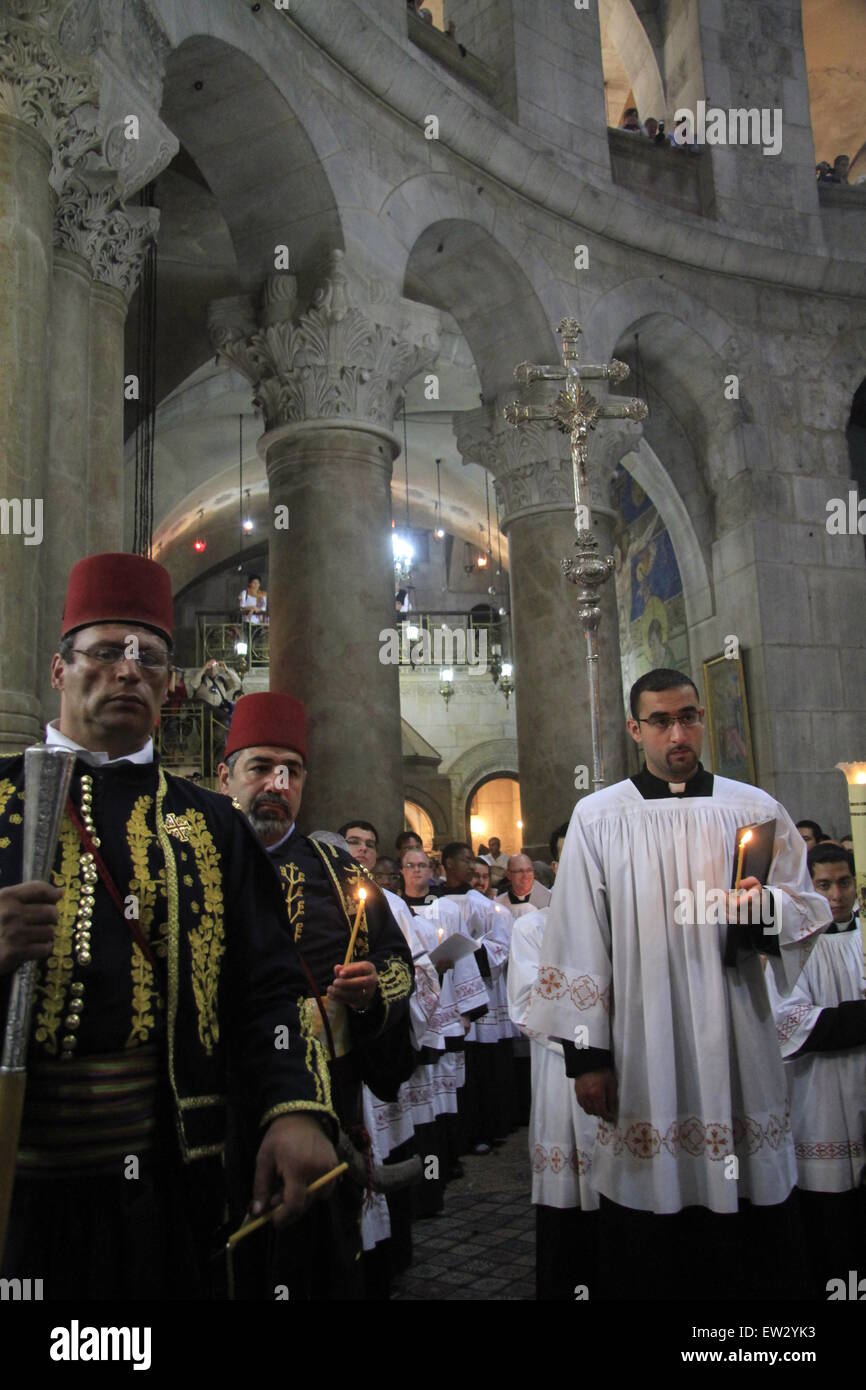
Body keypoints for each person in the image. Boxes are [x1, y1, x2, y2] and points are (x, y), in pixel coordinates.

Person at [0, 553, 337, 1301]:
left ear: (170, 684)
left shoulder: (213, 825)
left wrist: (296, 1107)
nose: (129, 670)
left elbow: (273, 988)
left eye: (150, 657)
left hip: (164, 1174)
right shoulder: (0, 802)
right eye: (106, 651)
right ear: (59, 670)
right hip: (16, 1176)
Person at [526, 667, 831, 1300]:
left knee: (749, 1218)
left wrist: (765, 908)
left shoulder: (752, 809)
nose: (678, 732)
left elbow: (804, 909)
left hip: (738, 1037)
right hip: (643, 1048)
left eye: (689, 716)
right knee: (649, 1219)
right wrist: (587, 1058)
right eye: (661, 721)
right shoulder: (599, 817)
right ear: (636, 729)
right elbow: (580, 938)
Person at [218, 698, 415, 1299]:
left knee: (317, 1264)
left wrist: (370, 990)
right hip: (222, 1104)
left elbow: (398, 963)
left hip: (325, 1102)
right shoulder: (190, 853)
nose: (278, 785)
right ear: (225, 775)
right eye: (261, 768)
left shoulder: (339, 870)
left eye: (292, 771)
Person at [764, 844, 866, 1295]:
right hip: (818, 1099)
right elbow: (790, 1023)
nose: (836, 895)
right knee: (832, 1231)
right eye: (823, 885)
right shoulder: (791, 949)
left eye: (844, 882)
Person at [508, 907, 599, 1300]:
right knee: (568, 1210)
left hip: (629, 1076)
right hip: (562, 1080)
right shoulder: (533, 927)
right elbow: (528, 1003)